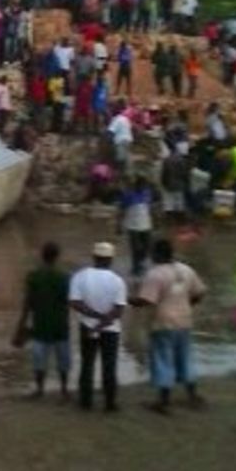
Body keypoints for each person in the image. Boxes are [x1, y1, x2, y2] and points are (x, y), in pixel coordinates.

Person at [132, 238, 207, 414]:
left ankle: (164, 401)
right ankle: (192, 395)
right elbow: (201, 292)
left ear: (157, 254)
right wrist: (188, 303)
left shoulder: (155, 274)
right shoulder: (186, 269)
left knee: (163, 359)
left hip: (163, 322)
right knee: (185, 357)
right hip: (184, 320)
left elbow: (146, 300)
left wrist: (126, 299)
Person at [69, 241, 128, 412]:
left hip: (87, 327)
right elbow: (119, 310)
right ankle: (110, 403)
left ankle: (85, 402)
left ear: (94, 257)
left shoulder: (80, 276)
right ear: (111, 259)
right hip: (111, 330)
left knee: (87, 364)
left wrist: (94, 320)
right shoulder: (118, 281)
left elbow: (75, 302)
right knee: (109, 366)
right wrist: (103, 321)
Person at [14, 241, 71, 399]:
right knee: (63, 359)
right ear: (57, 257)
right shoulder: (64, 277)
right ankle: (64, 389)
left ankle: (39, 390)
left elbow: (27, 304)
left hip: (40, 325)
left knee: (39, 359)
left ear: (42, 256)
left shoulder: (33, 277)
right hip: (60, 325)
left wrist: (20, 327)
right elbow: (69, 302)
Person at [118, 175, 154, 275]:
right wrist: (119, 225)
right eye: (142, 186)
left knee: (147, 247)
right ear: (137, 185)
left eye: (145, 186)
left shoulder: (147, 194)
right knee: (136, 248)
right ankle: (135, 267)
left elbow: (150, 209)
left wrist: (156, 220)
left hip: (146, 225)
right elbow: (121, 210)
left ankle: (140, 263)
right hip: (132, 226)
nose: (143, 188)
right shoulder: (128, 195)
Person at [108, 100, 134, 175]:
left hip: (121, 141)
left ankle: (118, 175)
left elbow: (110, 133)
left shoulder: (116, 119)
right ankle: (124, 174)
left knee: (119, 159)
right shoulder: (125, 118)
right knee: (125, 159)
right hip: (129, 140)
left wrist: (108, 144)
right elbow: (130, 129)